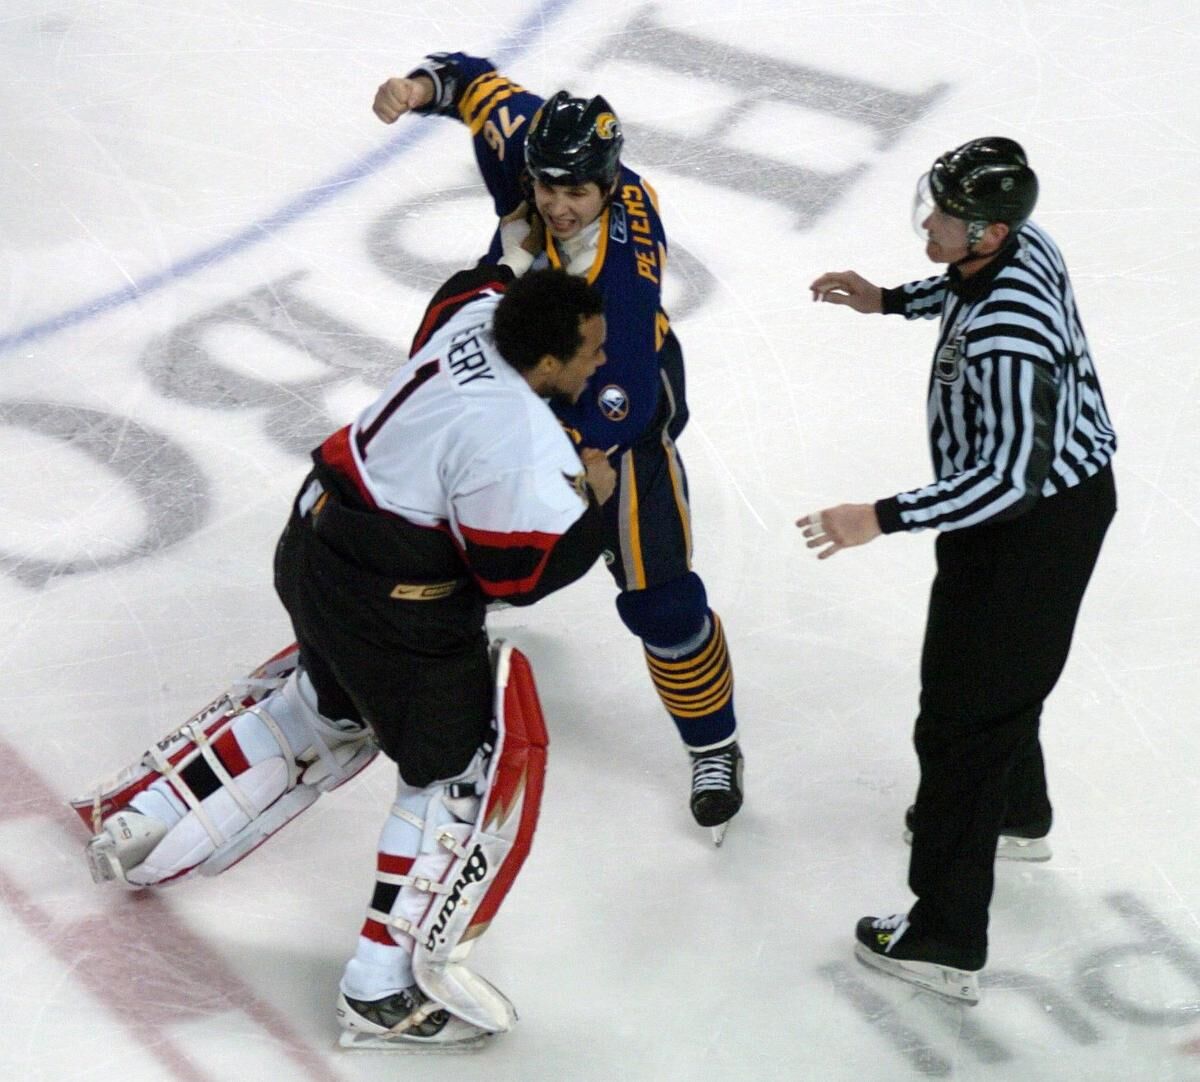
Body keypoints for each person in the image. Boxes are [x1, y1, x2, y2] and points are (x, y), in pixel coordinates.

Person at [74, 260, 617, 1050]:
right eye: (590, 350)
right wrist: (591, 504)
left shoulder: (477, 314)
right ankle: (380, 990)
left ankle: (146, 826)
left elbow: (472, 280)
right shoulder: (518, 440)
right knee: (455, 775)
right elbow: (512, 577)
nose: (602, 360)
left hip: (311, 547)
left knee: (323, 712)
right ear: (544, 362)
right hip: (388, 606)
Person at [372, 53, 745, 842]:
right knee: (457, 543)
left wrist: (554, 463)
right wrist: (416, 89)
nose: (558, 205)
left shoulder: (621, 281)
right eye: (547, 188)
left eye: (576, 192)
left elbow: (622, 403)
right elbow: (474, 83)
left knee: (661, 599)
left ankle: (713, 745)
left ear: (607, 186)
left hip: (614, 420)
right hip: (528, 378)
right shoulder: (536, 144)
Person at [800, 137, 1117, 1004]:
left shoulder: (1011, 341)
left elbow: (1008, 482)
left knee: (959, 720)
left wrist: (879, 516)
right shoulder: (1023, 242)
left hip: (1028, 527)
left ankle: (943, 934)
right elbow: (959, 288)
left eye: (947, 216)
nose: (929, 223)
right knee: (1004, 681)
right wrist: (889, 300)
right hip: (1047, 511)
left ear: (990, 231)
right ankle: (1015, 812)